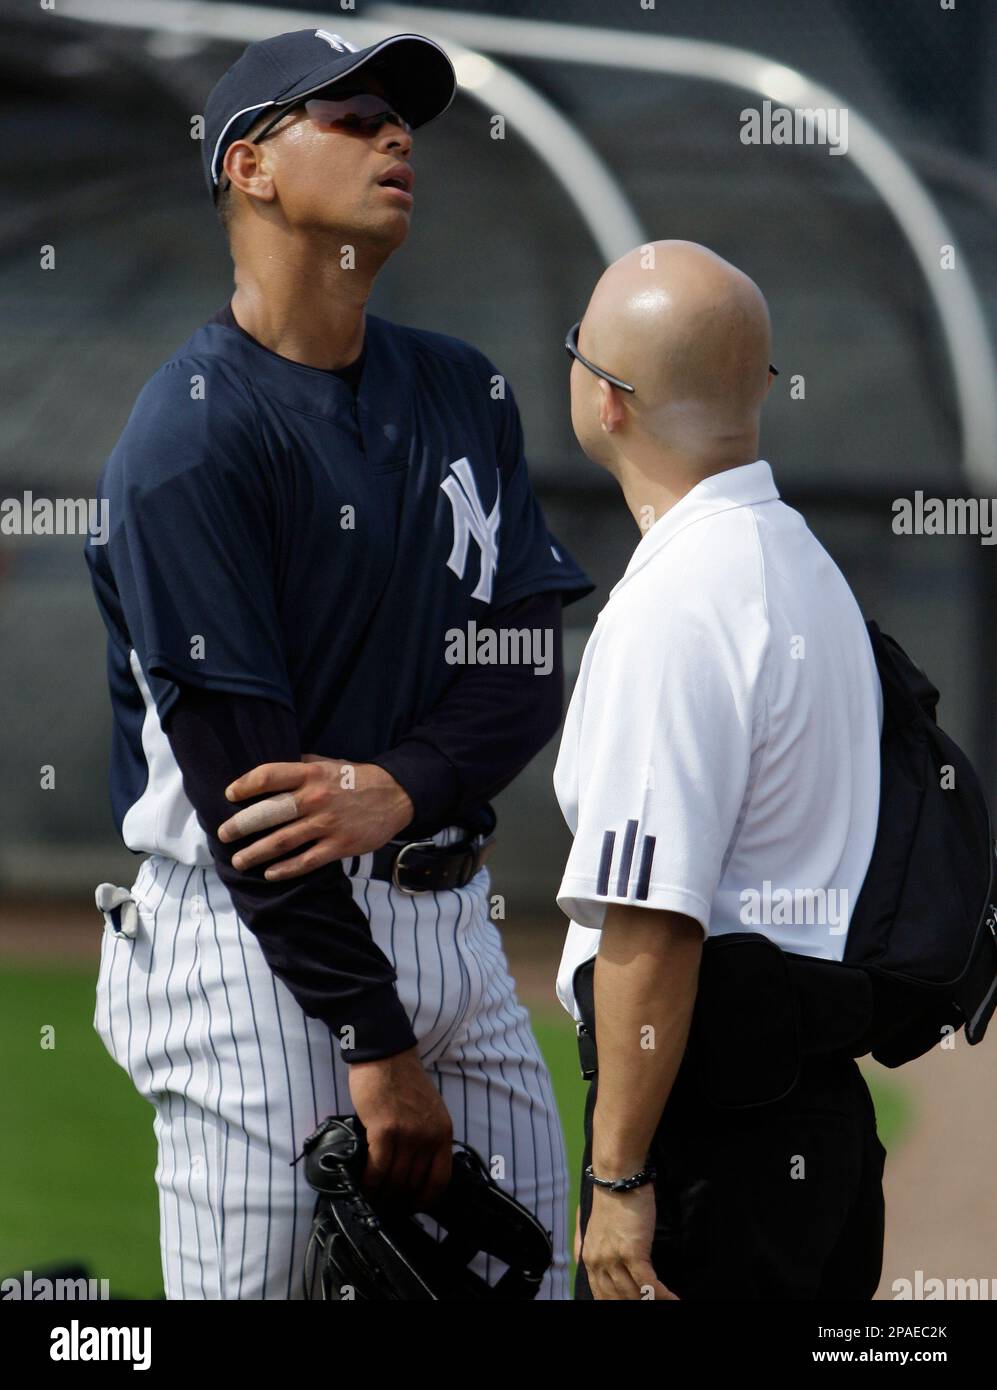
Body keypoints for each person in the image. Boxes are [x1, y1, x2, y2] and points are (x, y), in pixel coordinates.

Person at [85, 28, 592, 1300]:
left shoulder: (460, 389)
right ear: (249, 166)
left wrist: (405, 782)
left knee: (527, 1286)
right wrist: (374, 1039)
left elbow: (527, 651)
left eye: (401, 117)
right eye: (354, 113)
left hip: (451, 918)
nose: (395, 136)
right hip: (258, 940)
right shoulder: (187, 442)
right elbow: (252, 791)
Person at [554, 240, 886, 1300]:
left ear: (608, 401)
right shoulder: (805, 566)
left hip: (715, 1139)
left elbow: (652, 925)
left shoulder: (674, 604)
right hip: (821, 1126)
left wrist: (618, 1173)